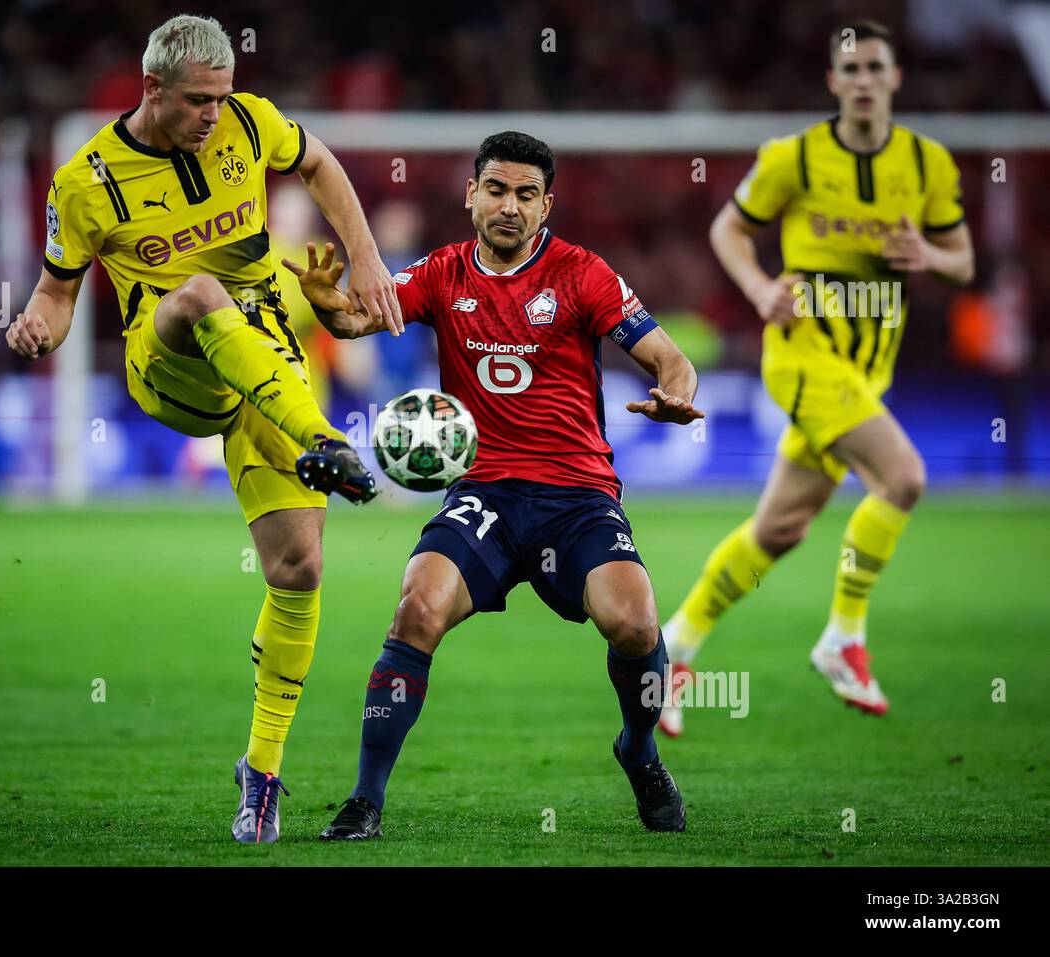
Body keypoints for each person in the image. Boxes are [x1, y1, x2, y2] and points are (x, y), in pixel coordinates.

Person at [6, 14, 402, 843]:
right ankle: (324, 437)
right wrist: (39, 324)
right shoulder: (84, 181)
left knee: (298, 569)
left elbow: (320, 162)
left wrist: (365, 256)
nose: (215, 116)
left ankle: (261, 771)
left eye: (223, 99)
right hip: (171, 360)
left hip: (264, 356)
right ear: (152, 89)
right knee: (198, 294)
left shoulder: (251, 121)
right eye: (197, 102)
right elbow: (57, 289)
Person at [284, 131, 705, 838]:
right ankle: (365, 800)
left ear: (547, 205)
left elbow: (670, 357)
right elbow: (359, 318)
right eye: (498, 189)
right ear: (471, 194)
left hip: (577, 497)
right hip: (484, 496)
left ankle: (638, 748)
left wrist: (675, 392)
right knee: (416, 607)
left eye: (527, 194)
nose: (510, 206)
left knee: (635, 623)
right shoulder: (443, 274)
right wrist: (329, 304)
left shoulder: (583, 274)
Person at [659, 19, 974, 735]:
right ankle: (844, 636)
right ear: (834, 83)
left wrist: (926, 252)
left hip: (867, 371)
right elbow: (727, 230)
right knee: (905, 477)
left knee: (781, 529)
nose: (863, 79)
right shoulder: (793, 158)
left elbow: (963, 261)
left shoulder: (929, 166)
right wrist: (760, 287)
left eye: (875, 67)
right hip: (803, 356)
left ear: (895, 78)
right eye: (851, 69)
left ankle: (673, 646)